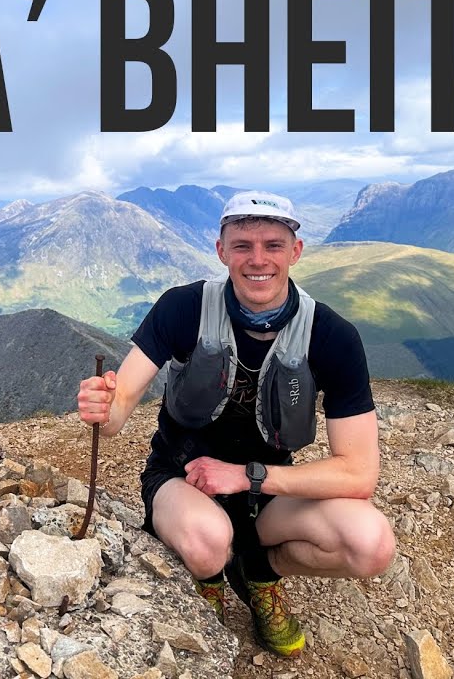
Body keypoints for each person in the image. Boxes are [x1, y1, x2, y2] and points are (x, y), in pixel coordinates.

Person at [76, 191, 395, 657]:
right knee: (208, 543)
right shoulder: (183, 308)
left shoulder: (332, 337)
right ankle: (206, 581)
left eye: (273, 245)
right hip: (180, 478)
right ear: (221, 251)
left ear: (295, 251)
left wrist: (248, 476)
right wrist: (103, 407)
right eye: (242, 245)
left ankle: (259, 573)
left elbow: (359, 473)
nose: (258, 259)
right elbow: (119, 407)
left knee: (372, 544)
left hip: (267, 492)